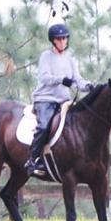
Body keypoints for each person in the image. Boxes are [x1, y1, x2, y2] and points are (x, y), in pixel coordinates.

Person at [26, 23, 92, 177]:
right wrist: (61, 79)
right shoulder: (46, 56)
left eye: (64, 38)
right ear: (53, 41)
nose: (63, 41)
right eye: (59, 39)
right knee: (43, 127)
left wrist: (88, 86)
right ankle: (33, 160)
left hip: (64, 101)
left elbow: (78, 79)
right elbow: (44, 77)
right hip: (46, 99)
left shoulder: (70, 59)